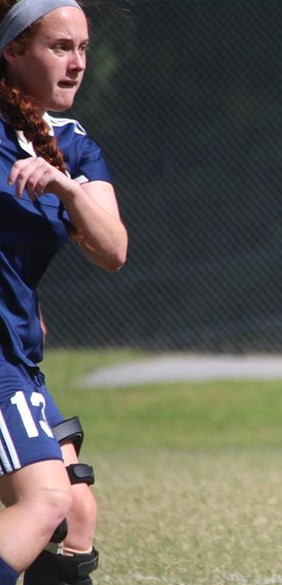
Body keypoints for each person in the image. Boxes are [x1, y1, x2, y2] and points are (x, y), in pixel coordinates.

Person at [0, 1, 127, 584]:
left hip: (18, 354)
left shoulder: (71, 145)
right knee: (47, 502)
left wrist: (67, 190)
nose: (77, 63)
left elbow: (113, 250)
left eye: (83, 48)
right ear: (14, 51)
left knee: (75, 521)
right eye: (59, 47)